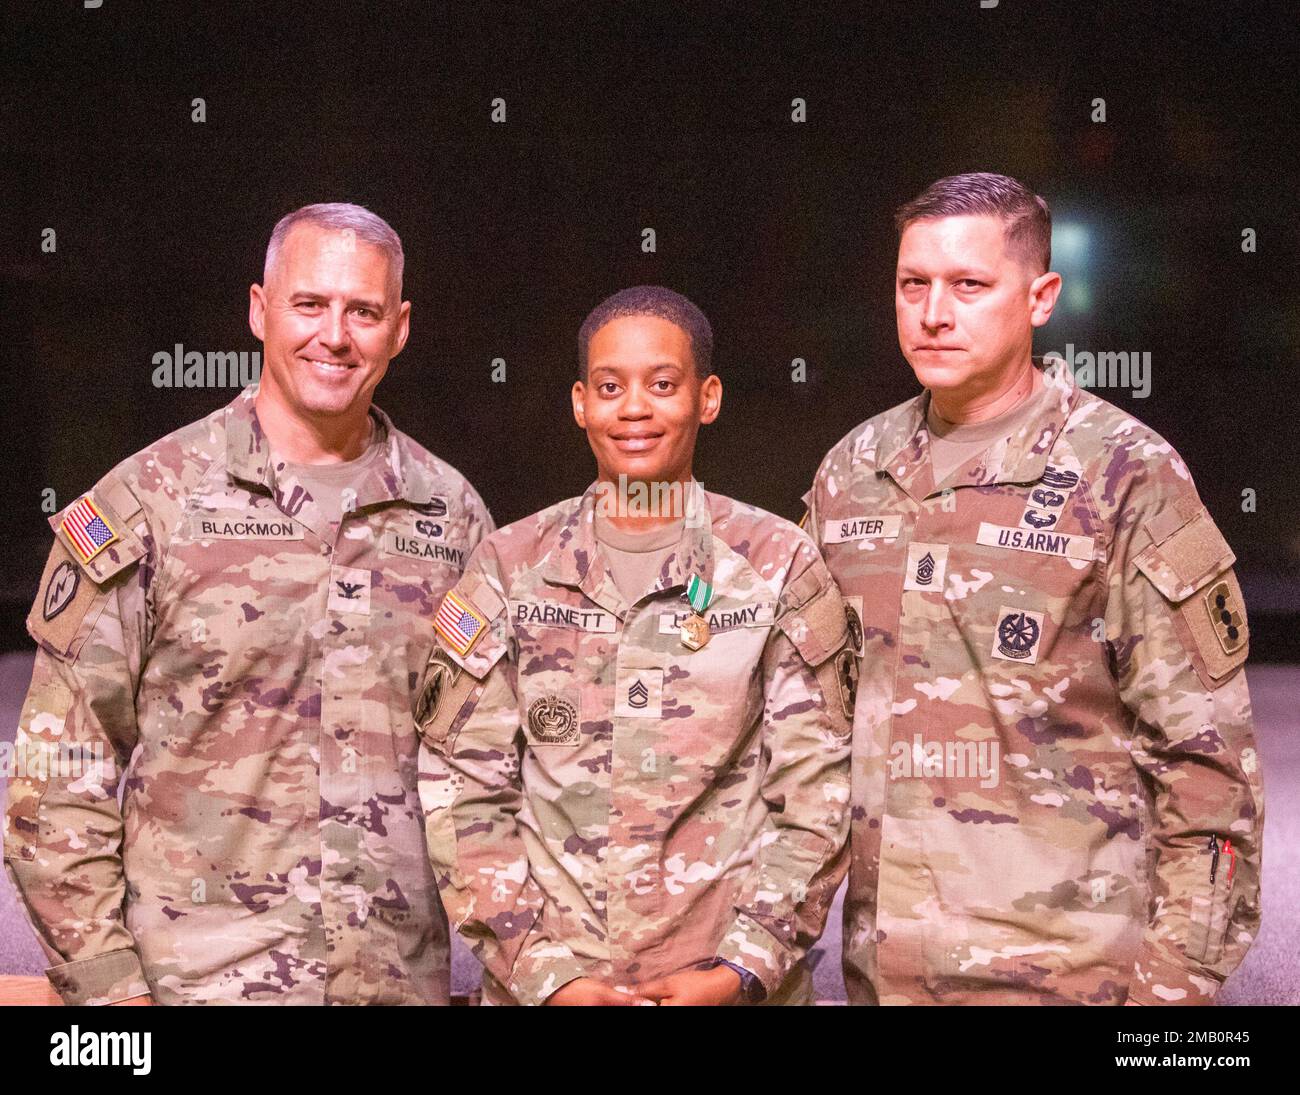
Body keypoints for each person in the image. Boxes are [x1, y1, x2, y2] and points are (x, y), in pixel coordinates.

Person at [3, 203, 493, 1004]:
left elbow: (491, 771)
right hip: (194, 990)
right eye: (309, 303)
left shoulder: (452, 517)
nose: (335, 335)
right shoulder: (147, 503)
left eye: (362, 311)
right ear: (260, 310)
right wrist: (113, 992)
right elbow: (58, 774)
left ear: (398, 329)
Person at [804, 173, 1262, 1005]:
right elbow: (803, 742)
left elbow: (1209, 776)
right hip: (885, 977)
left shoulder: (1125, 473)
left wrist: (1169, 1004)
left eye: (970, 285)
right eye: (915, 284)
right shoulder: (850, 476)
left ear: (1041, 296)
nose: (935, 312)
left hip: (1072, 980)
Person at [417, 286, 853, 1005]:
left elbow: (818, 796)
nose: (635, 409)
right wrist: (544, 975)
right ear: (581, 403)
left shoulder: (777, 563)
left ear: (707, 398)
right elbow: (462, 794)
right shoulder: (507, 565)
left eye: (662, 384)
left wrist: (744, 966)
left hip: (733, 989)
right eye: (611, 387)